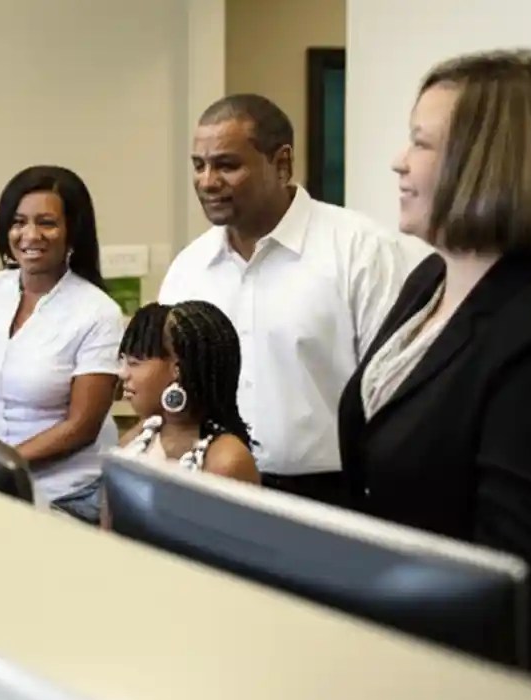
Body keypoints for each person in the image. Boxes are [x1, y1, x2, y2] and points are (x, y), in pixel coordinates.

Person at [336, 50, 531, 700]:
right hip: (413, 647)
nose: (398, 161)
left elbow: (508, 564)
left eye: (421, 142)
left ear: (488, 163)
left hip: (506, 675)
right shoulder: (432, 277)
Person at [159, 93, 409, 504]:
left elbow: (396, 393)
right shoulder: (189, 269)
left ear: (282, 163)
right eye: (199, 165)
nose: (207, 181)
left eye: (227, 164)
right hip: (213, 487)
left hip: (332, 496)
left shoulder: (362, 252)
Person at [0, 165, 123, 506]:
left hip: (68, 491)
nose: (30, 235)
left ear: (72, 231)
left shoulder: (99, 313)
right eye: (18, 222)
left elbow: (81, 428)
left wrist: (2, 466)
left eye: (46, 223)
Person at [116, 301, 258, 484]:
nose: (122, 373)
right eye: (122, 361)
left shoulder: (227, 461)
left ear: (179, 369)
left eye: (135, 362)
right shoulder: (134, 441)